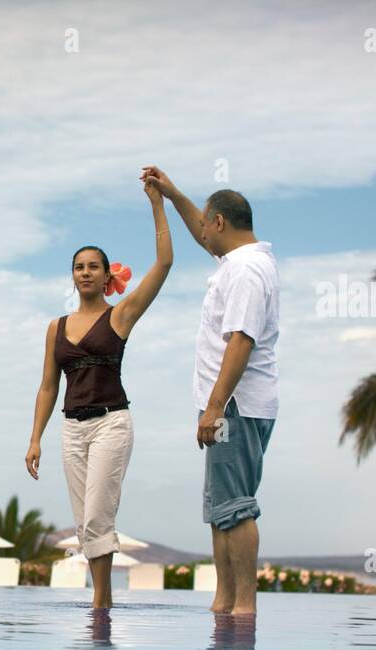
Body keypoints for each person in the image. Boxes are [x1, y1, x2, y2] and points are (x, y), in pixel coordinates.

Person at [25, 176, 172, 608]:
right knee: (82, 522)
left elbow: (163, 264)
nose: (85, 272)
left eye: (93, 266)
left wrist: (157, 203)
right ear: (72, 276)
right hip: (72, 429)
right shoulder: (56, 327)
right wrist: (35, 438)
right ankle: (101, 598)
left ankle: (101, 601)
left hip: (111, 422)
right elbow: (48, 385)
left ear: (107, 275)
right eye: (78, 266)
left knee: (96, 515)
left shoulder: (121, 316)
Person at [141, 166, 280, 617]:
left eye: (206, 221)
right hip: (228, 406)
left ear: (220, 222)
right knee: (222, 507)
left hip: (234, 406)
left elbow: (241, 340)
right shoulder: (239, 262)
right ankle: (226, 602)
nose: (202, 230)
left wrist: (216, 407)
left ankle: (244, 606)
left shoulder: (246, 271)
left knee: (236, 506)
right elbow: (202, 236)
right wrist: (172, 193)